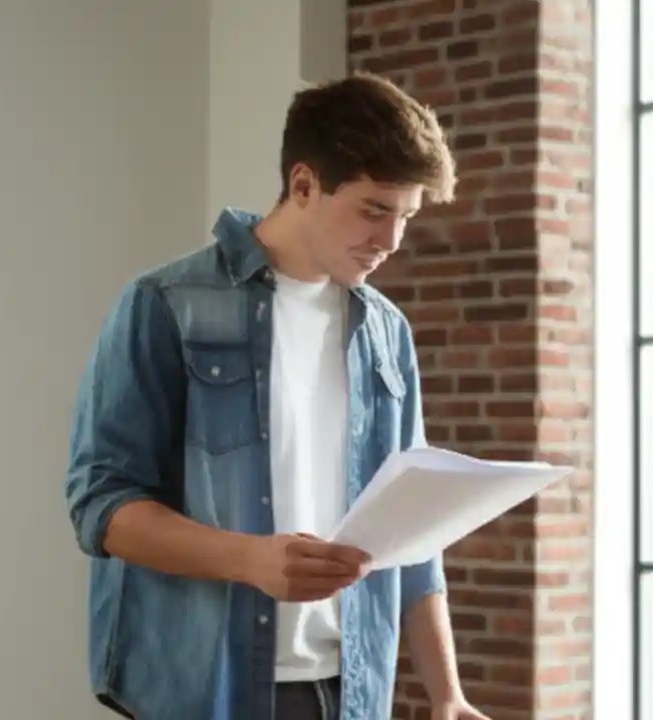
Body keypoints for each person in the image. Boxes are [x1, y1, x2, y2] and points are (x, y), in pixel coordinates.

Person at [64, 73, 490, 720]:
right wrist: (249, 560)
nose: (392, 240)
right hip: (207, 692)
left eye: (406, 216)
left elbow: (412, 529)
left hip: (352, 690)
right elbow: (102, 506)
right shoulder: (164, 307)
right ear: (303, 184)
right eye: (375, 209)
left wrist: (447, 694)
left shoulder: (385, 334)